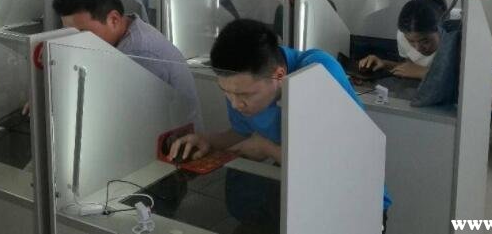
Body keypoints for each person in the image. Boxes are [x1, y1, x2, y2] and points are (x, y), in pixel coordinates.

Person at [167, 19, 391, 216]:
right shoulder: (241, 83)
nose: (235, 104)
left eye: (245, 95)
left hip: (355, 204)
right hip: (302, 201)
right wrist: (207, 140)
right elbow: (241, 133)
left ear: (279, 76)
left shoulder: (318, 74)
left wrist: (268, 149)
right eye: (226, 92)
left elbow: (331, 166)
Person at [54, 0, 202, 129]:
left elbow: (129, 121)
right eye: (70, 33)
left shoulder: (139, 53)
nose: (77, 41)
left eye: (83, 33)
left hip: (172, 139)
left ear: (114, 20)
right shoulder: (125, 30)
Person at [359, 0, 450, 81]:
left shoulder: (453, 41)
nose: (417, 48)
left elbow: (455, 80)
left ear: (441, 30)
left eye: (425, 41)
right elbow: (411, 68)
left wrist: (424, 73)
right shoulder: (402, 36)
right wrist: (385, 64)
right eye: (411, 41)